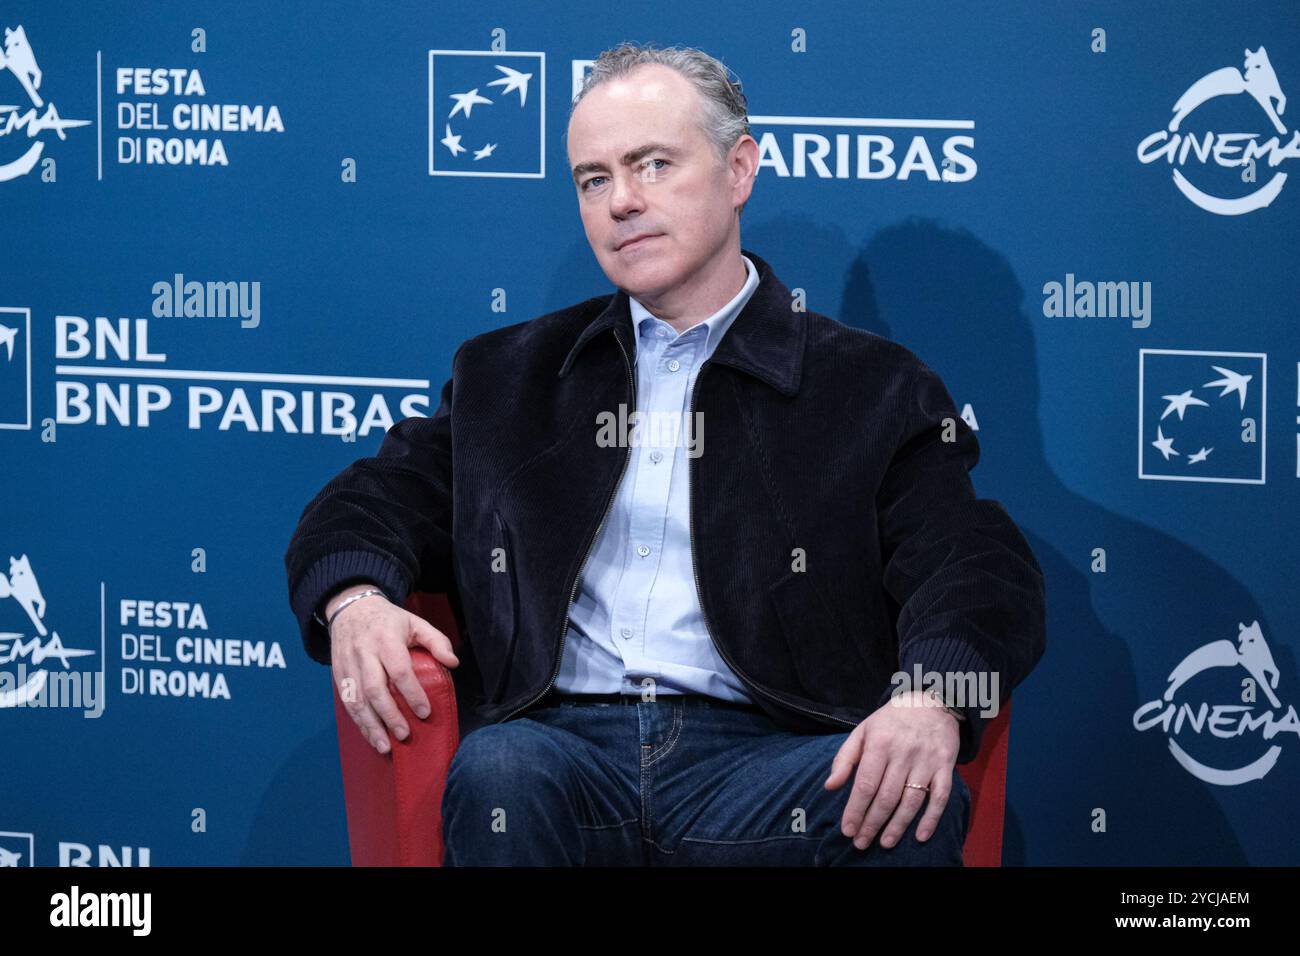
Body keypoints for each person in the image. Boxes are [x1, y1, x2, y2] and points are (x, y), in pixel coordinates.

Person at [283, 41, 1046, 866]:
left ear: (739, 170)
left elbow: (974, 567)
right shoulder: (508, 376)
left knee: (898, 803)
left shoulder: (872, 388)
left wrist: (933, 696)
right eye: (594, 179)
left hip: (774, 762)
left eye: (652, 164)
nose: (621, 202)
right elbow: (369, 501)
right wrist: (353, 599)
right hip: (560, 757)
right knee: (501, 769)